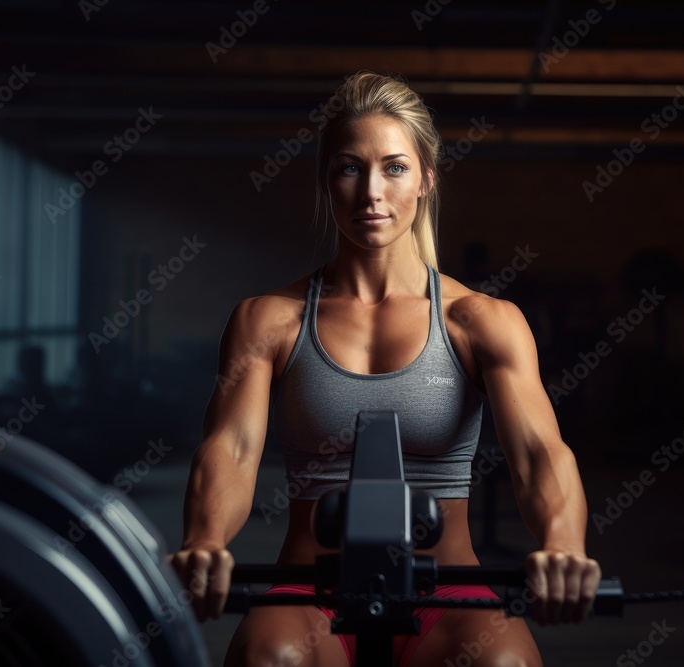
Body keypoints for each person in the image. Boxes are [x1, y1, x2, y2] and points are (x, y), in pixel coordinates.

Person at [171, 71, 601, 667]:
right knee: (271, 662)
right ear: (328, 180)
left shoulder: (481, 321)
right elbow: (232, 450)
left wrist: (562, 544)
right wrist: (205, 541)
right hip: (309, 595)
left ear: (426, 178)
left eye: (394, 167)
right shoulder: (268, 321)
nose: (371, 190)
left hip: (449, 597)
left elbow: (538, 455)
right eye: (350, 167)